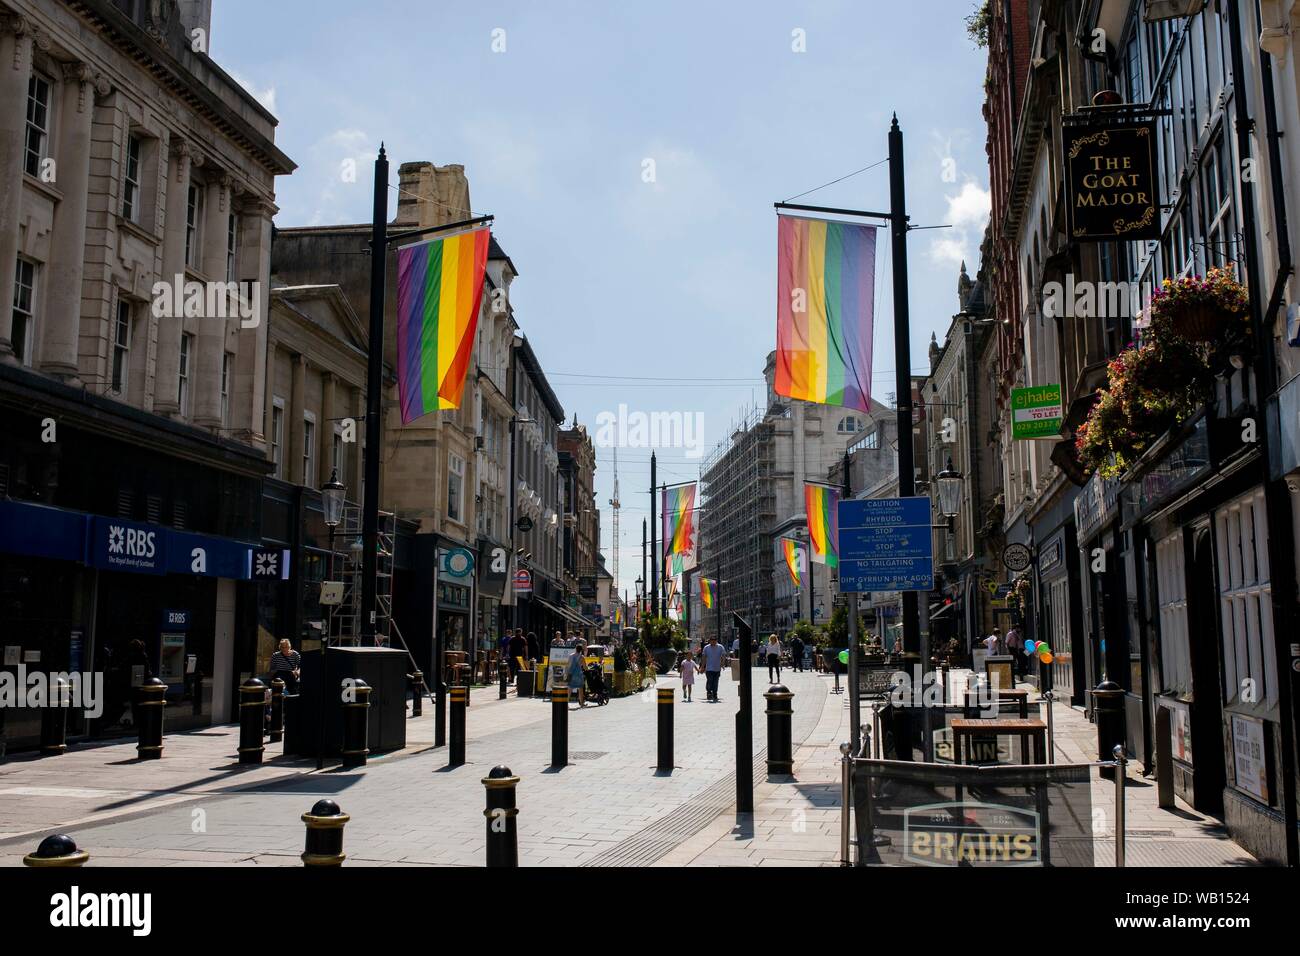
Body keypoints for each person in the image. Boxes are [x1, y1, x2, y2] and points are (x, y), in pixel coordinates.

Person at [700, 635, 726, 703]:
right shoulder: (706, 647)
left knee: (715, 682)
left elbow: (723, 655)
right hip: (709, 668)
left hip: (717, 668)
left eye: (714, 640)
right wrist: (702, 667)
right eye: (712, 640)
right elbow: (704, 658)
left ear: (716, 641)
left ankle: (715, 694)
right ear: (710, 641)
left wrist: (722, 663)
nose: (713, 642)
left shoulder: (720, 647)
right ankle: (709, 692)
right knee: (710, 680)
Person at [567, 641, 588, 707]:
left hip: (571, 673)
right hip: (578, 674)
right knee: (580, 689)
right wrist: (587, 668)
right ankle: (581, 704)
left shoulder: (571, 656)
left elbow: (568, 665)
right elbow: (585, 667)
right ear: (581, 650)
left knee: (569, 689)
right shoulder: (582, 657)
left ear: (576, 649)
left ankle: (566, 703)